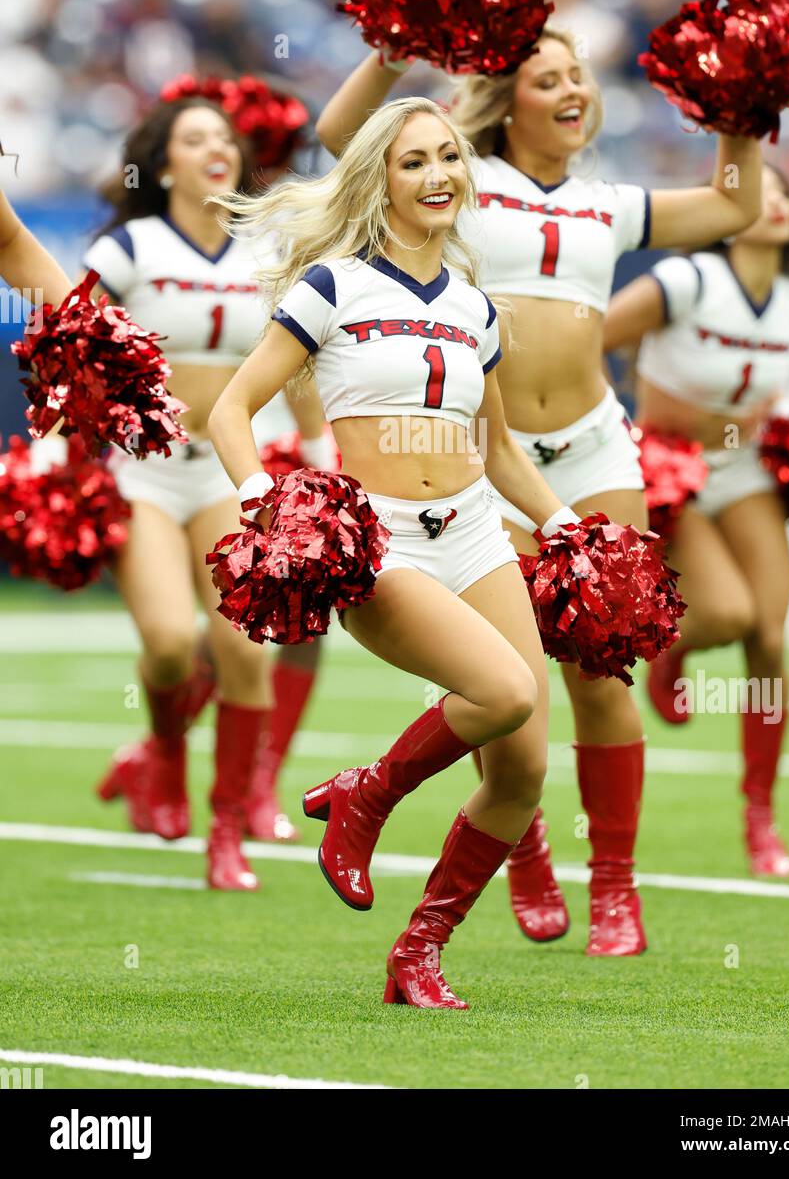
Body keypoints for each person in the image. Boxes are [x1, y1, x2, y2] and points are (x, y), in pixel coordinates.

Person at [313, 25, 763, 953]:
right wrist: (398, 43)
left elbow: (732, 206)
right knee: (509, 681)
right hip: (492, 461)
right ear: (505, 99)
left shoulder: (609, 204)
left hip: (595, 450)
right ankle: (522, 837)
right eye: (545, 77)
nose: (571, 90)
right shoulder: (465, 181)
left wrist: (743, 108)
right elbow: (341, 135)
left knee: (603, 670)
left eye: (578, 76)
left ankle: (616, 891)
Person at [208, 96, 586, 1008]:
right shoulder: (332, 286)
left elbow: (499, 453)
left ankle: (419, 954)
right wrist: (267, 506)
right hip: (375, 538)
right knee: (502, 692)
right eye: (414, 162)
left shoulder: (474, 306)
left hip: (475, 530)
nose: (438, 176)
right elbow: (229, 409)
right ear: (380, 177)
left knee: (527, 767)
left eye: (449, 157)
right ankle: (368, 794)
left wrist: (573, 525)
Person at [85, 95, 294, 890]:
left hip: (224, 470)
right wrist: (57, 450)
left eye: (225, 138)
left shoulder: (270, 251)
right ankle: (164, 752)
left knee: (246, 648)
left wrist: (312, 455)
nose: (215, 149)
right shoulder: (130, 247)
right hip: (142, 467)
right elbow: (70, 342)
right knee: (172, 642)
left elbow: (298, 366)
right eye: (193, 138)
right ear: (162, 163)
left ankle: (226, 832)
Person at [604, 164, 789, 877]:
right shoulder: (685, 281)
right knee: (724, 613)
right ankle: (672, 652)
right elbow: (588, 339)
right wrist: (613, 422)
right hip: (671, 469)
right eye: (761, 190)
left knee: (772, 638)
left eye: (785, 193)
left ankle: (761, 814)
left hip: (742, 470)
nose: (774, 201)